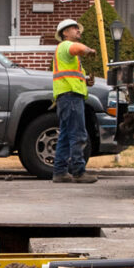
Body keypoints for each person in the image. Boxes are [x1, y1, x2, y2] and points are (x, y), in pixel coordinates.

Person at [50, 17, 97, 183]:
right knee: (78, 134)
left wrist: (85, 80)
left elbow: (71, 74)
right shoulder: (66, 45)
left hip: (66, 97)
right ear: (65, 33)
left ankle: (60, 172)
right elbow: (78, 48)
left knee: (65, 136)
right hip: (70, 97)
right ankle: (78, 171)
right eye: (74, 28)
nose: (78, 30)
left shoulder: (66, 53)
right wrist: (89, 50)